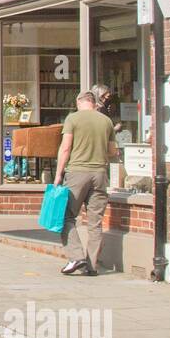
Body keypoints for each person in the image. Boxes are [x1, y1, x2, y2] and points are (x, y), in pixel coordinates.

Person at [54, 91, 119, 277]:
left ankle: (76, 257)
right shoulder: (106, 121)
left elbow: (65, 148)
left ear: (78, 102)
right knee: (95, 223)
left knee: (66, 216)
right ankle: (92, 266)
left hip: (76, 173)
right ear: (93, 103)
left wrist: (59, 174)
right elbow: (113, 151)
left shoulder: (72, 119)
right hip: (99, 174)